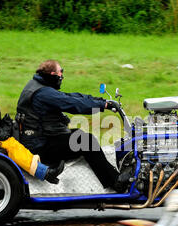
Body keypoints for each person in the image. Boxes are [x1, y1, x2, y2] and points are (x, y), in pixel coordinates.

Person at [16, 59, 128, 192]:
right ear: (53, 74)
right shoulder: (43, 93)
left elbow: (70, 96)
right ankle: (115, 182)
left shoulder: (38, 86)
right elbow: (72, 103)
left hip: (41, 139)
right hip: (40, 146)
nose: (62, 76)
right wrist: (102, 106)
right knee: (86, 141)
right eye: (60, 72)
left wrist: (101, 101)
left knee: (79, 134)